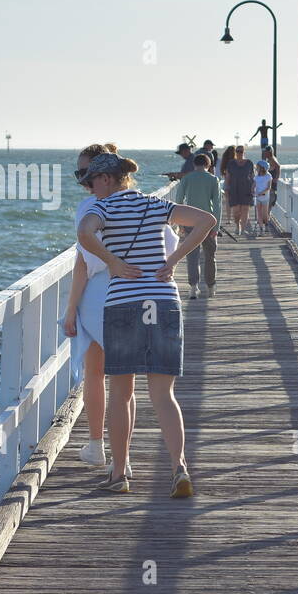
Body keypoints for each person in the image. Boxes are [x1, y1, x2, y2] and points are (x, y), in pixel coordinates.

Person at [76, 151, 216, 497]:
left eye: (92, 181)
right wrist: (173, 260)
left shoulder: (102, 208)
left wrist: (112, 262)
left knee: (121, 394)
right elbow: (206, 220)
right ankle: (179, 468)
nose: (90, 189)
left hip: (123, 302)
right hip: (164, 300)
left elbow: (83, 232)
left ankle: (120, 473)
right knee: (164, 394)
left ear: (106, 179)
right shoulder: (155, 206)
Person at [62, 142, 134, 476]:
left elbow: (83, 263)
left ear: (99, 175)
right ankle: (124, 459)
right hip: (132, 291)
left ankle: (96, 446)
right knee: (125, 383)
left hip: (98, 295)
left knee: (95, 373)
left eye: (84, 173)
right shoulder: (138, 204)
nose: (82, 181)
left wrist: (71, 309)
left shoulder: (90, 207)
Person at [177, 153, 223, 299]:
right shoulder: (213, 179)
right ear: (208, 165)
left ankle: (193, 287)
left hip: (190, 220)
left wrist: (180, 223)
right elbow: (217, 205)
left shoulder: (186, 178)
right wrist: (216, 227)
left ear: (194, 164)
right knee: (210, 255)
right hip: (208, 221)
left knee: (192, 255)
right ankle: (211, 286)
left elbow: (179, 201)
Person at [225, 144, 256, 234]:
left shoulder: (249, 163)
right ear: (235, 152)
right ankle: (237, 225)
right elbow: (228, 177)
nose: (239, 153)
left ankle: (242, 230)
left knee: (245, 210)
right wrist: (226, 188)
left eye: (241, 151)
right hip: (234, 189)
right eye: (237, 151)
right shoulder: (231, 163)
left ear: (244, 152)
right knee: (236, 211)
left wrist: (254, 187)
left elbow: (253, 176)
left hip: (247, 189)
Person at [253, 160, 273, 234]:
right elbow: (254, 185)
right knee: (259, 213)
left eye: (257, 167)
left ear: (262, 167)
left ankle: (266, 224)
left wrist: (262, 193)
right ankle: (261, 228)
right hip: (258, 197)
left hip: (265, 197)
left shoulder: (268, 176)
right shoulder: (257, 176)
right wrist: (252, 190)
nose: (256, 168)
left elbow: (268, 187)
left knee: (264, 214)